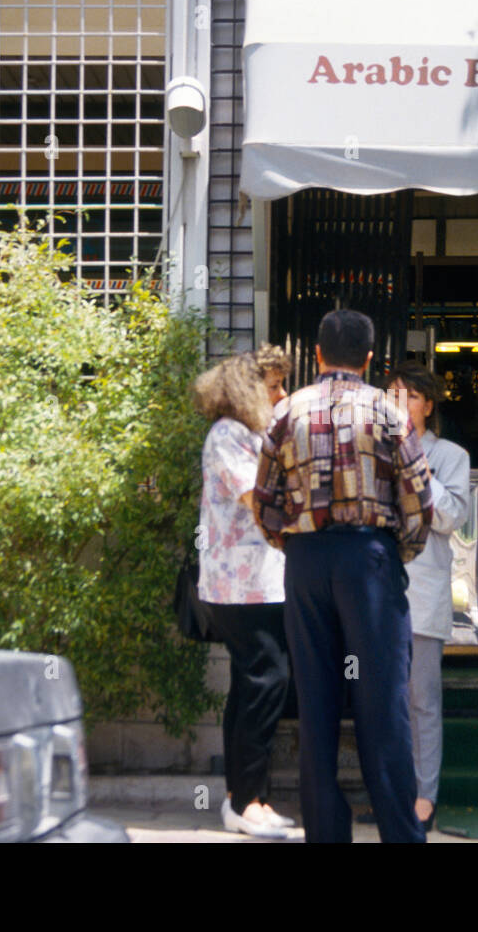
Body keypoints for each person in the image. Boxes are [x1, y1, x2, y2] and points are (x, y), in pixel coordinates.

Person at [253, 309, 434, 843]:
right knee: (384, 708)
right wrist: (394, 552)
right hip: (369, 563)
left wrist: (289, 542)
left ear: (317, 353)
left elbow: (264, 501)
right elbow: (419, 501)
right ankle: (401, 834)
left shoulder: (287, 411)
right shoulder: (388, 410)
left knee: (317, 707)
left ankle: (327, 835)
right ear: (371, 358)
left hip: (306, 562)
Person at [192, 346, 295, 839]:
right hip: (241, 584)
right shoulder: (229, 434)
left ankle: (246, 797)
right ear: (248, 389)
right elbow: (259, 501)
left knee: (252, 684)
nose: (282, 393)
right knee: (267, 680)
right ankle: (245, 802)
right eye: (274, 385)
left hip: (257, 582)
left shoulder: (250, 433)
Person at [386, 361, 471, 833]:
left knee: (422, 700)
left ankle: (423, 795)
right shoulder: (371, 447)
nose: (402, 403)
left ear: (428, 405)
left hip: (424, 589)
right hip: (378, 590)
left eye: (412, 396)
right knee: (382, 699)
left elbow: (451, 517)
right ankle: (389, 790)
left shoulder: (451, 456)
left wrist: (413, 458)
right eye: (394, 394)